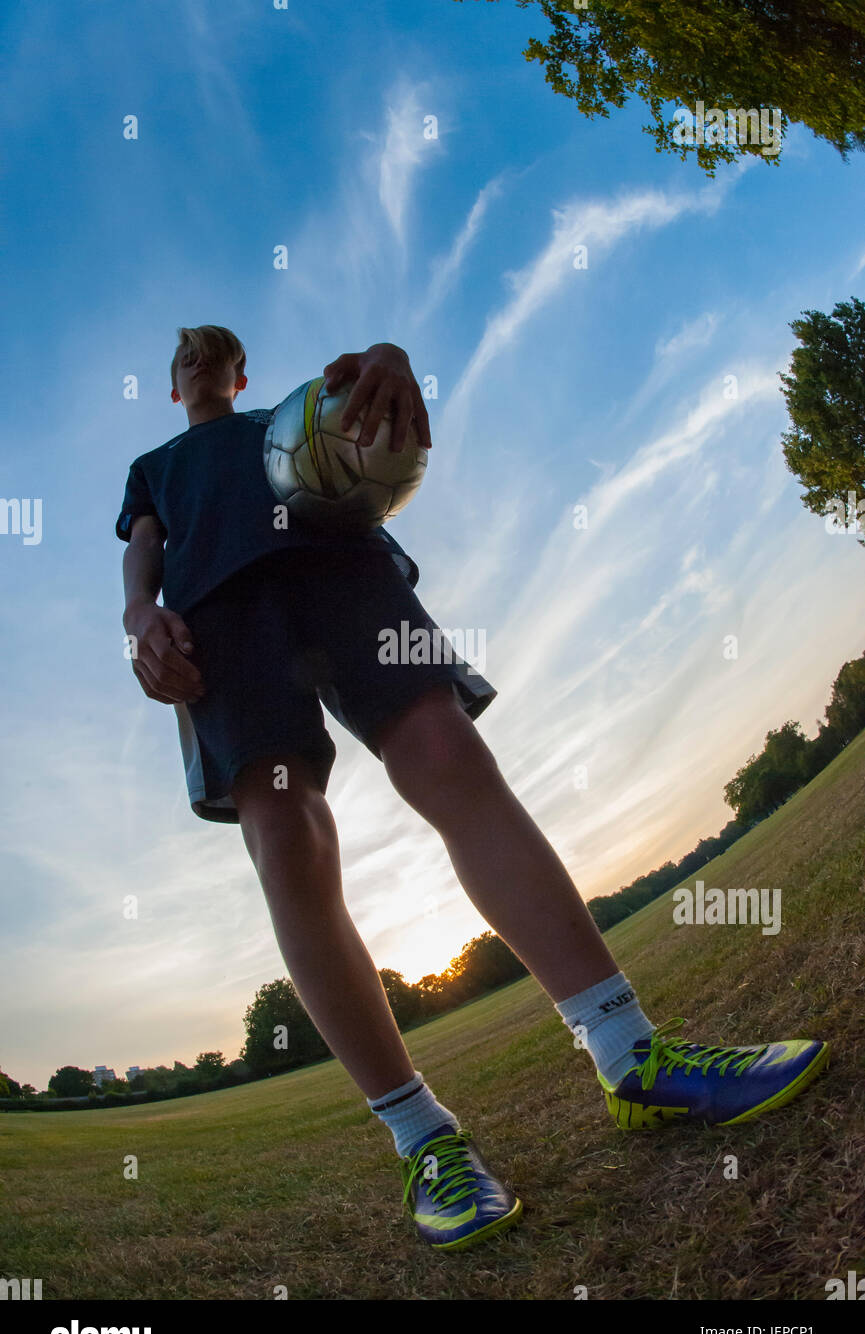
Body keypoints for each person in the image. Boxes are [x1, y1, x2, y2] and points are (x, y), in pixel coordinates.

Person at [117, 324, 831, 1253]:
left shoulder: (286, 422)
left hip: (338, 566)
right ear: (174, 387)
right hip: (216, 613)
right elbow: (144, 547)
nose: (200, 365)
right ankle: (425, 1141)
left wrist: (390, 358)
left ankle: (631, 1055)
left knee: (448, 759)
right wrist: (140, 612)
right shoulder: (154, 464)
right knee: (290, 838)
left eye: (214, 353)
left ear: (240, 372)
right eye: (186, 360)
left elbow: (372, 407)